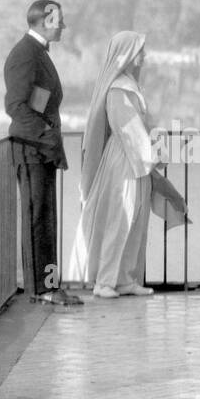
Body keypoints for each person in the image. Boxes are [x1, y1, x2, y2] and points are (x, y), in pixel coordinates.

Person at [68, 31, 162, 298]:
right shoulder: (119, 89)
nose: (144, 56)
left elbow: (145, 124)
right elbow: (128, 128)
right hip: (124, 159)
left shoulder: (130, 85)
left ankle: (125, 278)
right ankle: (105, 280)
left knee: (136, 218)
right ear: (129, 55)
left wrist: (155, 148)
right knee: (119, 219)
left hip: (137, 159)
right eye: (140, 50)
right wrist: (151, 155)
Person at [4, 0, 83, 306]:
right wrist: (47, 137)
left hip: (40, 151)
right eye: (58, 20)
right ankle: (43, 289)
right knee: (38, 220)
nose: (62, 25)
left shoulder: (35, 53)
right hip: (33, 150)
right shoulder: (26, 54)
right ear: (43, 21)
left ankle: (49, 286)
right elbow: (16, 107)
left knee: (45, 220)